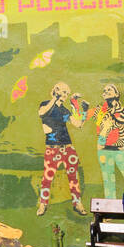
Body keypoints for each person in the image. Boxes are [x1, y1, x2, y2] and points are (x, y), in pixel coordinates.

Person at [79, 83, 124, 199]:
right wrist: (82, 109)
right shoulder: (99, 111)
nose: (106, 91)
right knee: (108, 182)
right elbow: (81, 119)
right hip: (103, 151)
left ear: (117, 94)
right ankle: (109, 213)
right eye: (104, 90)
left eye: (109, 90)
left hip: (121, 150)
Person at [36, 82, 88, 216]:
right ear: (56, 91)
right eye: (64, 92)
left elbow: (78, 124)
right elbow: (42, 113)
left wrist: (84, 111)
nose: (65, 95)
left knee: (73, 178)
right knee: (47, 178)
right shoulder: (45, 105)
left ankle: (77, 204)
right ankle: (43, 204)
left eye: (67, 93)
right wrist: (54, 97)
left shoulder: (65, 111)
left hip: (68, 148)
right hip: (52, 149)